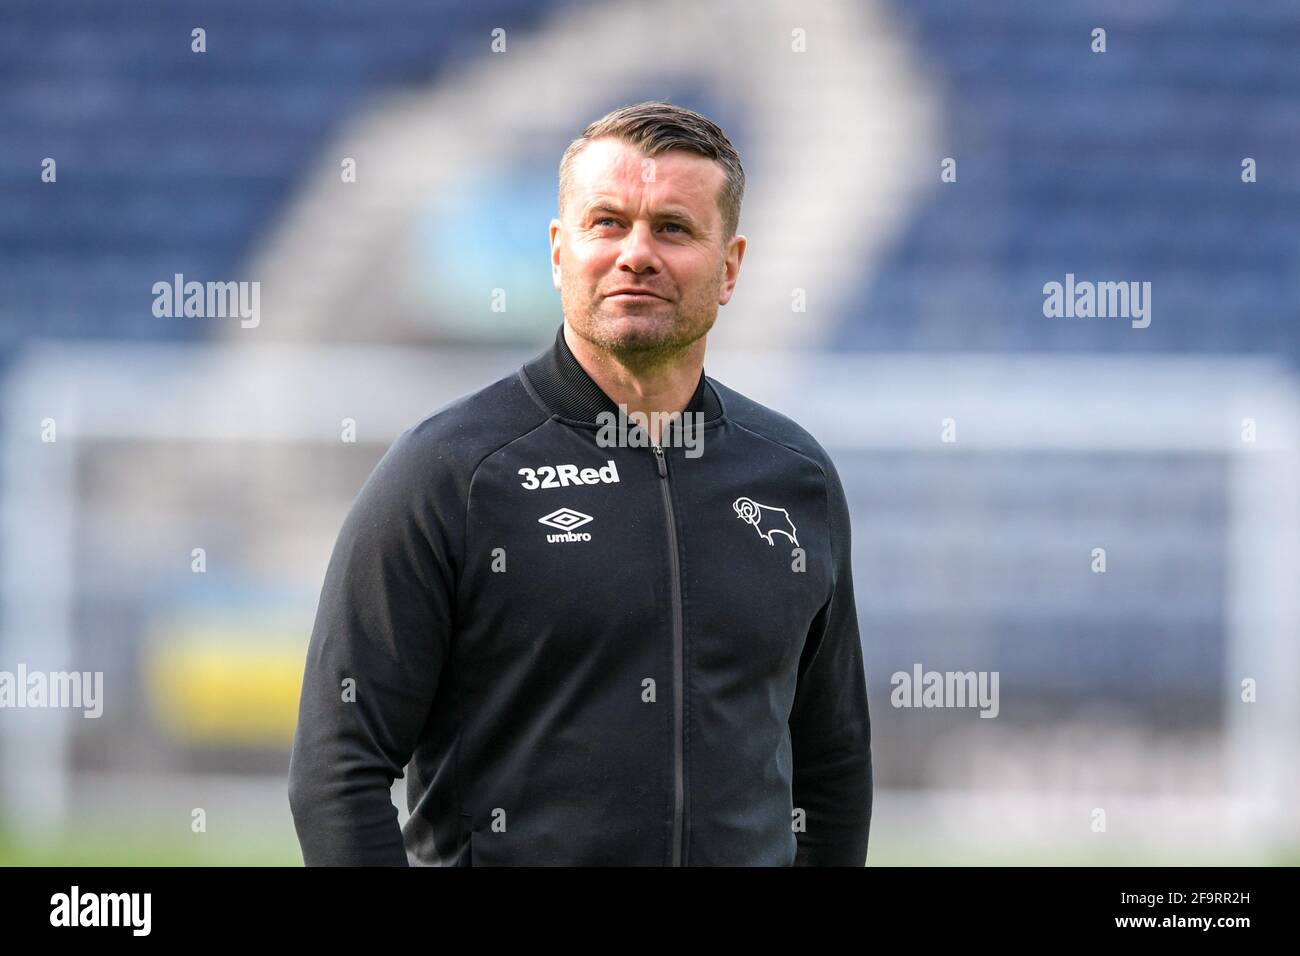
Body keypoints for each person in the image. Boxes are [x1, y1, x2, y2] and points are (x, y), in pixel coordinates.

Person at [288, 101, 872, 865]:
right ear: (560, 252)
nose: (637, 253)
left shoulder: (794, 478)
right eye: (607, 222)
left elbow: (832, 770)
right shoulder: (448, 473)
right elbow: (337, 768)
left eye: (672, 228)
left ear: (729, 268)